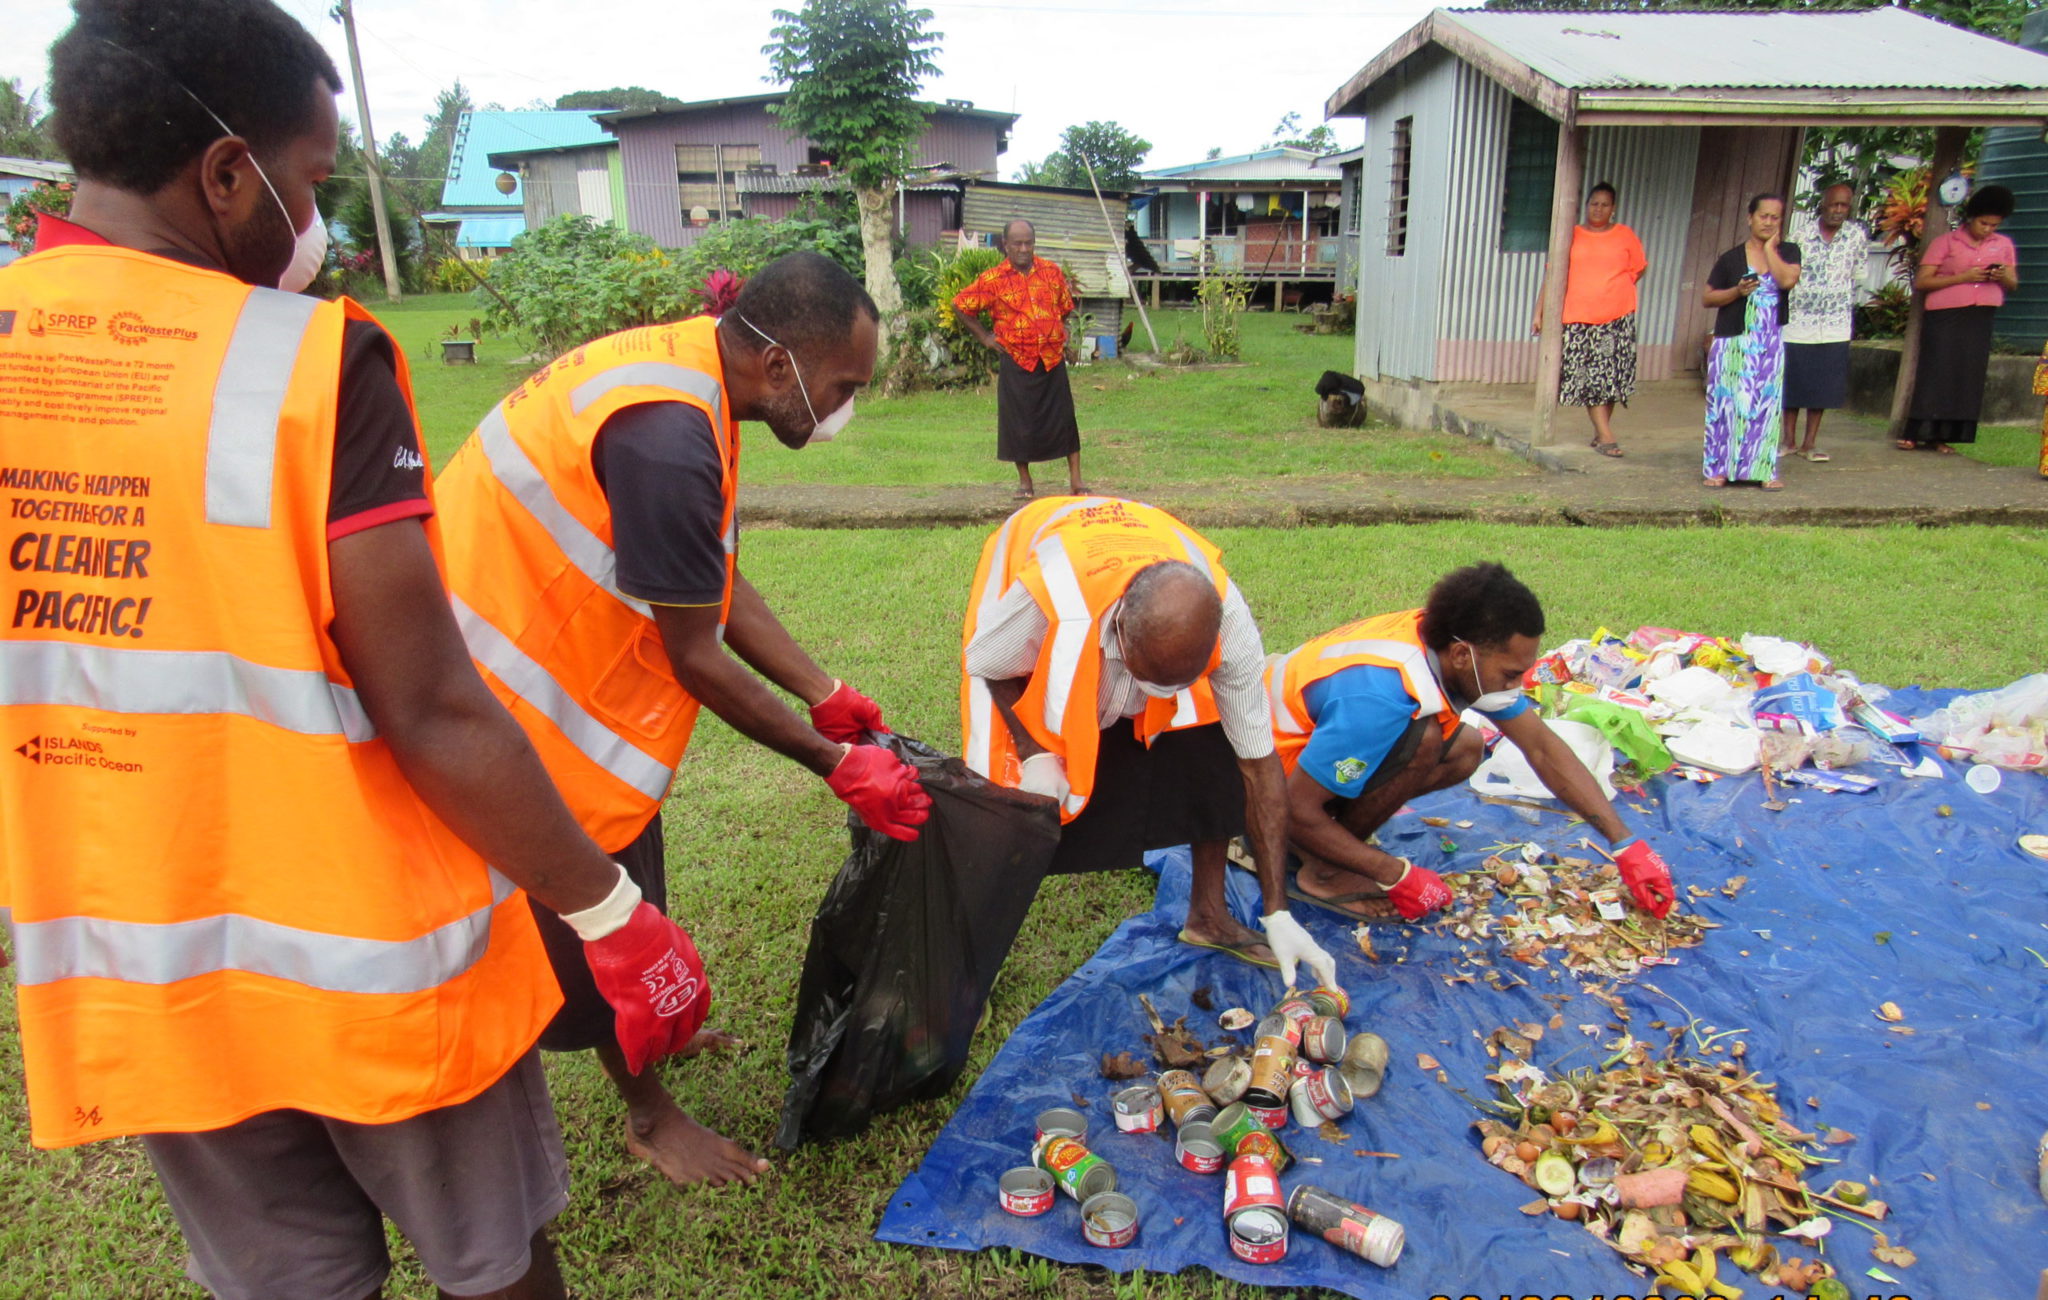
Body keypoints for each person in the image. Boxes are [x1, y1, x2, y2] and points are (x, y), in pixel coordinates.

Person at [1, 3, 713, 1297]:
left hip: (141, 957)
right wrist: (609, 911)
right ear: (229, 174)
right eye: (316, 179)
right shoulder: (307, 363)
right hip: (373, 958)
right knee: (495, 1266)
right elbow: (434, 706)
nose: (316, 215)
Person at [434, 251, 931, 1188]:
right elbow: (692, 654)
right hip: (514, 702)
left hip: (553, 683)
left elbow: (712, 574)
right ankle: (650, 1116)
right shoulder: (667, 432)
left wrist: (820, 687)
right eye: (844, 386)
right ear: (782, 365)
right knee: (600, 916)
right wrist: (833, 761)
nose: (846, 409)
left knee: (627, 895)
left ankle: (654, 1038)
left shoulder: (695, 379)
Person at [961, 496, 1338, 988]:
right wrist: (1038, 754)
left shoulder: (1230, 625)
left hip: (1147, 596)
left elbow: (1259, 764)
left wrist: (1277, 912)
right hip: (1051, 579)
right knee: (1005, 795)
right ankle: (969, 964)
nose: (1151, 697)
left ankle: (1208, 916)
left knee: (1210, 737)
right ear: (1119, 629)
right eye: (1145, 678)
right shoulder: (1052, 597)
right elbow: (988, 662)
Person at [1263, 564, 1676, 923]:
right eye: (1512, 674)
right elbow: (1295, 808)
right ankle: (1321, 872)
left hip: (1307, 758)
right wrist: (1394, 872)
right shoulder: (1382, 696)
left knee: (1465, 747)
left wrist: (1624, 843)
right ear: (1462, 655)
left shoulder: (1443, 643)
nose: (1518, 686)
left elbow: (1542, 748)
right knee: (1425, 740)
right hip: (1258, 785)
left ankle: (1332, 844)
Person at [952, 219, 1085, 501]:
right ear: (1006, 245)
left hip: (1050, 358)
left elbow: (1064, 308)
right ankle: (1025, 482)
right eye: (1018, 243)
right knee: (1019, 423)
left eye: (1029, 243)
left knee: (1064, 419)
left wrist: (1059, 334)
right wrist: (985, 338)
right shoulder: (993, 279)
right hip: (1017, 359)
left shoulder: (1051, 272)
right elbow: (961, 305)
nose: (1024, 249)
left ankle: (1076, 480)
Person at [1898, 184, 2018, 454]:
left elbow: (2013, 283)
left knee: (1966, 375)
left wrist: (2001, 276)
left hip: (1980, 315)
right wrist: (1963, 277)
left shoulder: (2003, 245)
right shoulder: (1946, 243)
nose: (1988, 229)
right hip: (1947, 314)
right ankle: (1916, 432)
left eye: (1994, 225)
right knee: (1936, 371)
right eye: (1983, 223)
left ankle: (1944, 435)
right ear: (1971, 218)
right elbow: (1923, 280)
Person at [1533, 181, 1647, 458]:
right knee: (1591, 380)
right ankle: (1607, 436)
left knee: (1612, 378)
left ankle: (1600, 432)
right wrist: (1539, 312)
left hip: (1617, 318)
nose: (1598, 209)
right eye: (1594, 203)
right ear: (1586, 206)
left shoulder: (1624, 235)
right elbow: (1552, 274)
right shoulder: (1570, 235)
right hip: (1579, 319)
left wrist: (1620, 287)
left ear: (1613, 209)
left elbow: (1639, 268)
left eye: (1604, 204)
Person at [1702, 193, 1802, 491]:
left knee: (1765, 405)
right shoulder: (1730, 258)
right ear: (1750, 218)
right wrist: (1737, 291)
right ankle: (1719, 469)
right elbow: (1708, 297)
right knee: (1727, 405)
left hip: (1768, 345)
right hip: (1733, 343)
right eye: (1763, 216)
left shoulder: (1789, 251)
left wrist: (1771, 249)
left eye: (1775, 217)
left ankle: (1763, 470)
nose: (1768, 222)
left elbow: (1787, 281)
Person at [1780, 183, 1871, 464]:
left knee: (1822, 386)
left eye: (1844, 206)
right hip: (1799, 321)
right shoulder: (1800, 236)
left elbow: (1859, 275)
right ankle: (1789, 440)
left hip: (1835, 324)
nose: (1838, 211)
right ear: (1823, 204)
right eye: (1834, 205)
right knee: (1793, 384)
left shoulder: (1856, 236)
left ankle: (1811, 443)